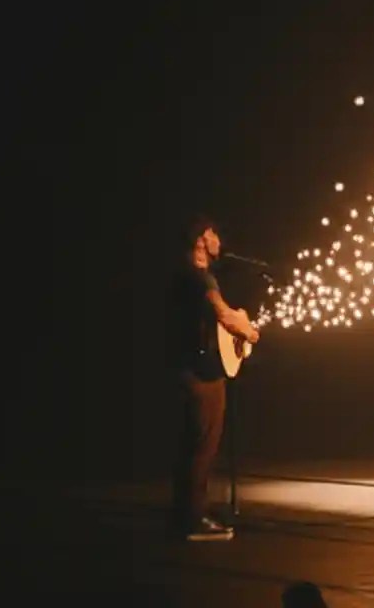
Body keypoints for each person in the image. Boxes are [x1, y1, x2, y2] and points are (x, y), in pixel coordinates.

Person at [167, 214, 261, 541]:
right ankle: (192, 520)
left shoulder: (187, 277)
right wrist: (247, 330)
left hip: (190, 369)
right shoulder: (201, 279)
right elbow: (222, 314)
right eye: (214, 234)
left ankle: (184, 514)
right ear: (202, 241)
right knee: (202, 447)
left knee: (193, 445)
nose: (219, 241)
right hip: (201, 375)